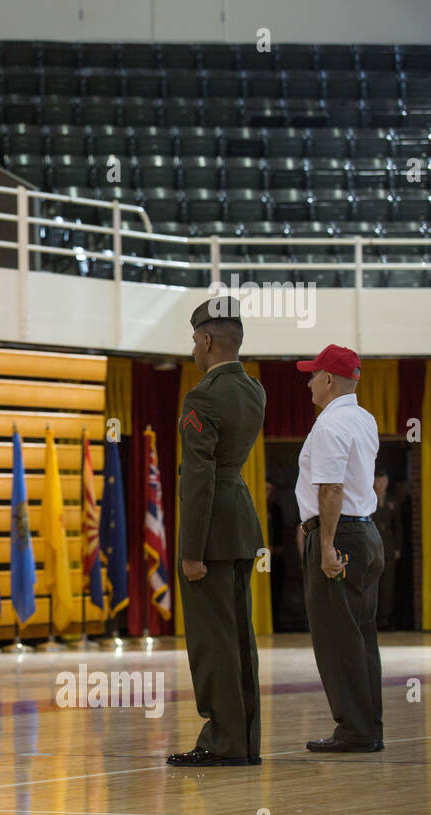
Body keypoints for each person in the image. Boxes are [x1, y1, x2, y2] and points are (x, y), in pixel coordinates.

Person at [168, 296, 267, 768]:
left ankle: (223, 742)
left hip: (212, 531)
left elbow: (199, 478)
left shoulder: (202, 397)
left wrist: (191, 551)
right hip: (241, 522)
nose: (192, 349)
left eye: (193, 339)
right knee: (240, 639)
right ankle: (245, 741)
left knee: (212, 642)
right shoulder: (255, 391)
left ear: (207, 339)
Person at [294, 345, 384, 754]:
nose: (309, 382)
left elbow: (331, 488)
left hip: (340, 536)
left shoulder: (329, 425)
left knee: (336, 639)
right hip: (366, 534)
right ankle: (367, 727)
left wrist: (325, 546)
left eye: (313, 375)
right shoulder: (364, 419)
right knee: (361, 636)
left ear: (329, 379)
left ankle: (354, 730)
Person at [372, 466, 401, 631]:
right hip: (373, 547)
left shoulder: (392, 501)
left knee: (388, 585)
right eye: (378, 480)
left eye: (384, 480)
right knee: (373, 583)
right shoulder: (368, 499)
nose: (381, 483)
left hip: (388, 548)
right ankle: (373, 618)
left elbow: (398, 526)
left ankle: (385, 618)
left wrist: (397, 547)